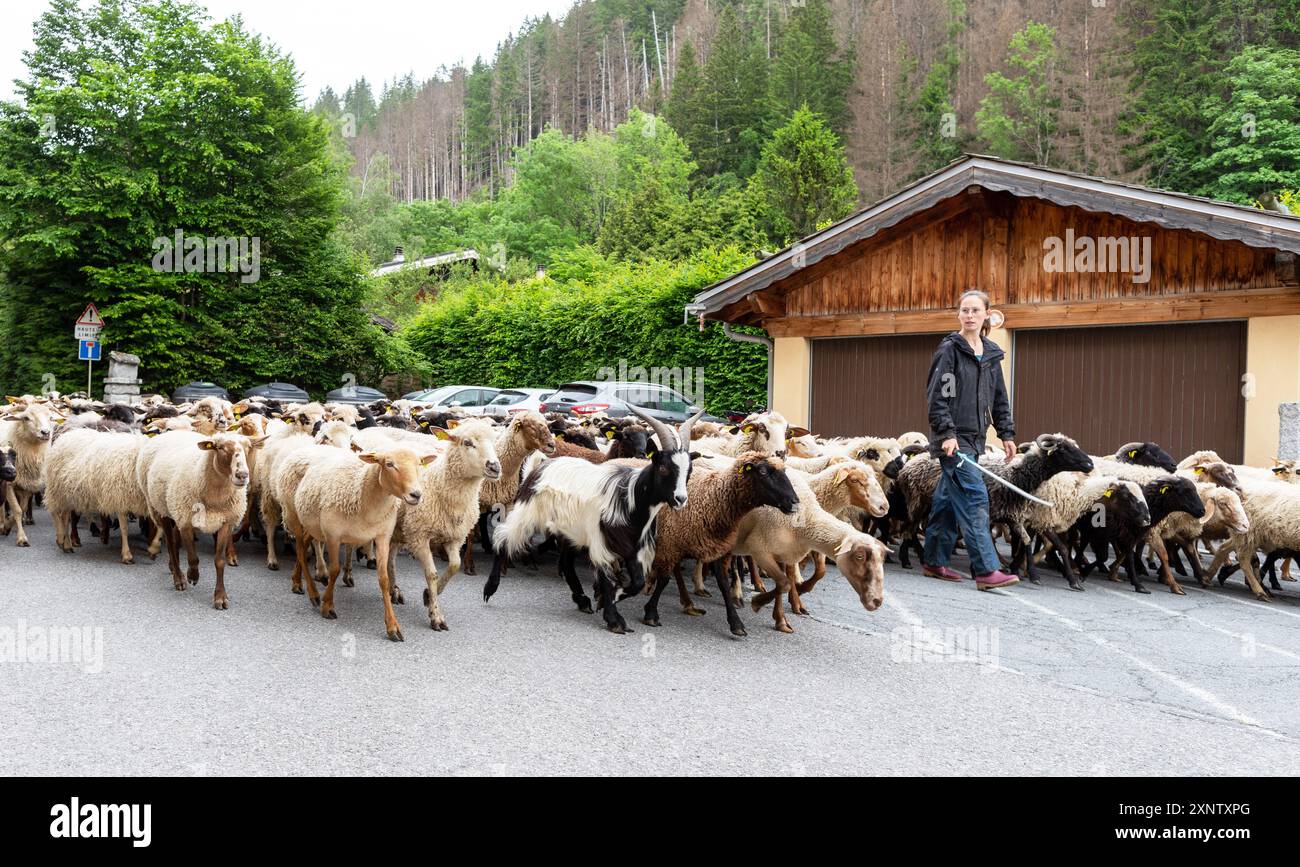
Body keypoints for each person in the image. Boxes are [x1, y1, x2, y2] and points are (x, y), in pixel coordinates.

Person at [922, 289, 1020, 591]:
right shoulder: (950, 351)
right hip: (954, 440)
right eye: (964, 310)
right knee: (976, 497)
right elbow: (938, 396)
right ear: (958, 315)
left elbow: (999, 397)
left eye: (975, 310)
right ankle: (986, 570)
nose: (969, 315)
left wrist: (1006, 433)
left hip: (976, 439)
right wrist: (946, 433)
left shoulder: (990, 355)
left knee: (947, 502)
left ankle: (934, 561)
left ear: (987, 314)